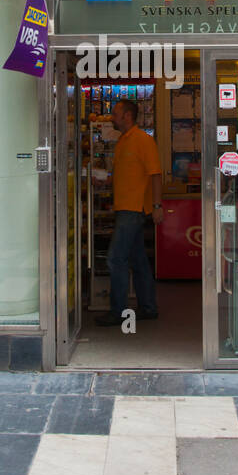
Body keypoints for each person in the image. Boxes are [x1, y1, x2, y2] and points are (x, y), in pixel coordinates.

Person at [95, 99, 164, 326]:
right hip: (123, 207)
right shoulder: (122, 141)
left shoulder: (143, 140)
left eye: (115, 114)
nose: (112, 117)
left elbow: (155, 174)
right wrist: (104, 180)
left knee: (116, 258)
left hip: (133, 209)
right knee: (138, 260)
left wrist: (156, 206)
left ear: (127, 116)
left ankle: (118, 311)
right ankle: (148, 307)